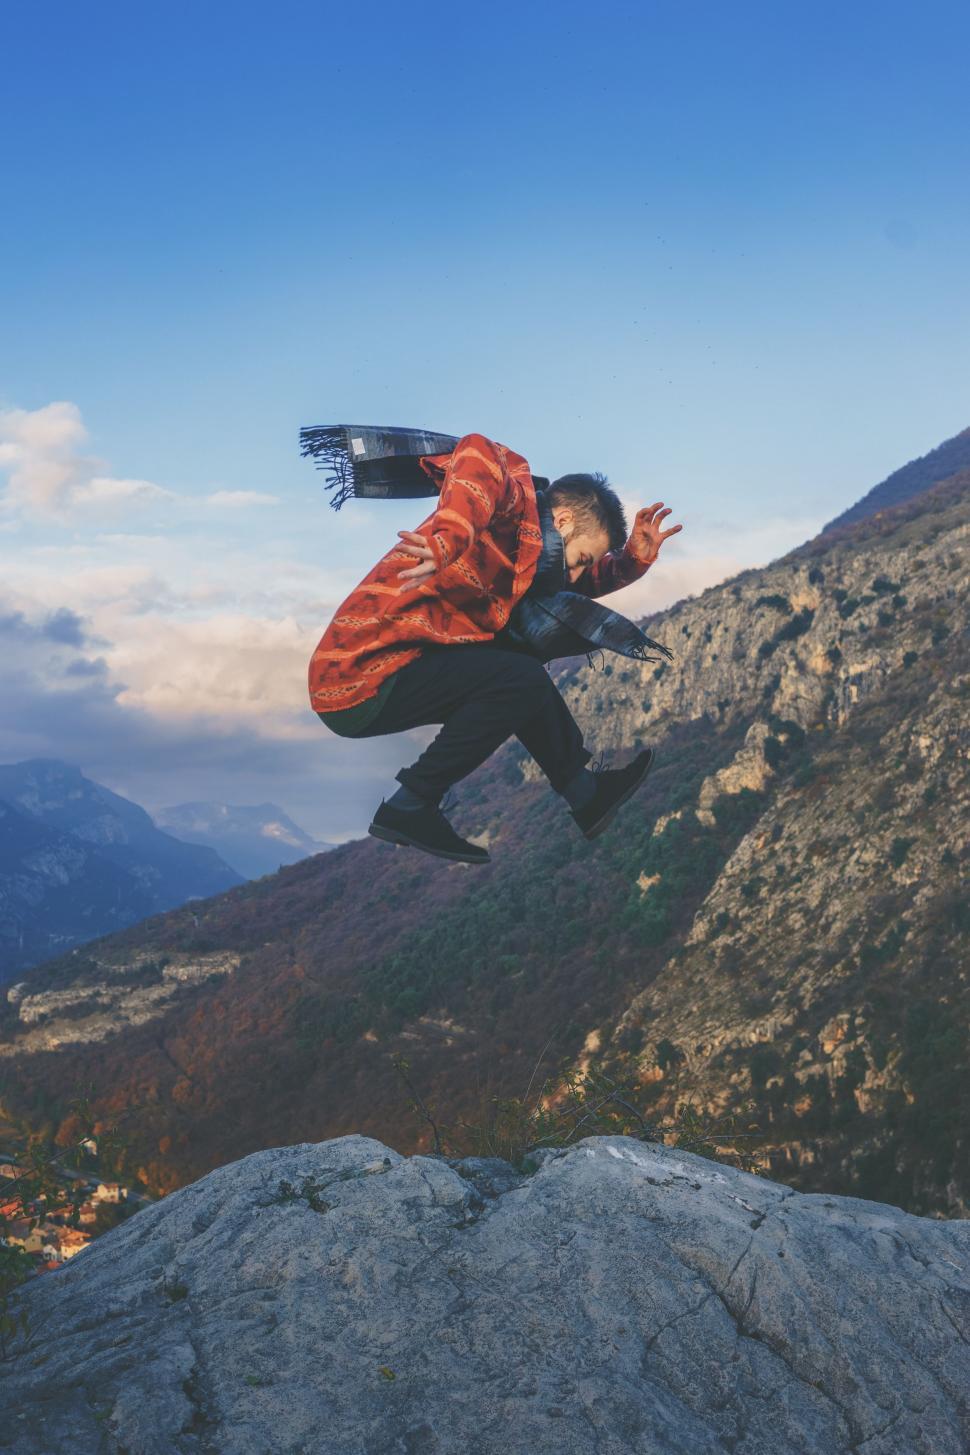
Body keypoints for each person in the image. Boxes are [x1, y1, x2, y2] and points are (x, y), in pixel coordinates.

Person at [308, 431, 682, 863]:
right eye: (581, 560)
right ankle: (410, 805)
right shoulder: (512, 507)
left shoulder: (528, 565)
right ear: (561, 521)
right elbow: (477, 451)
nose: (577, 578)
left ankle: (585, 793)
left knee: (520, 675)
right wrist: (449, 537)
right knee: (516, 676)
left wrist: (632, 562)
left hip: (393, 670)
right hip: (359, 676)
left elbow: (568, 583)